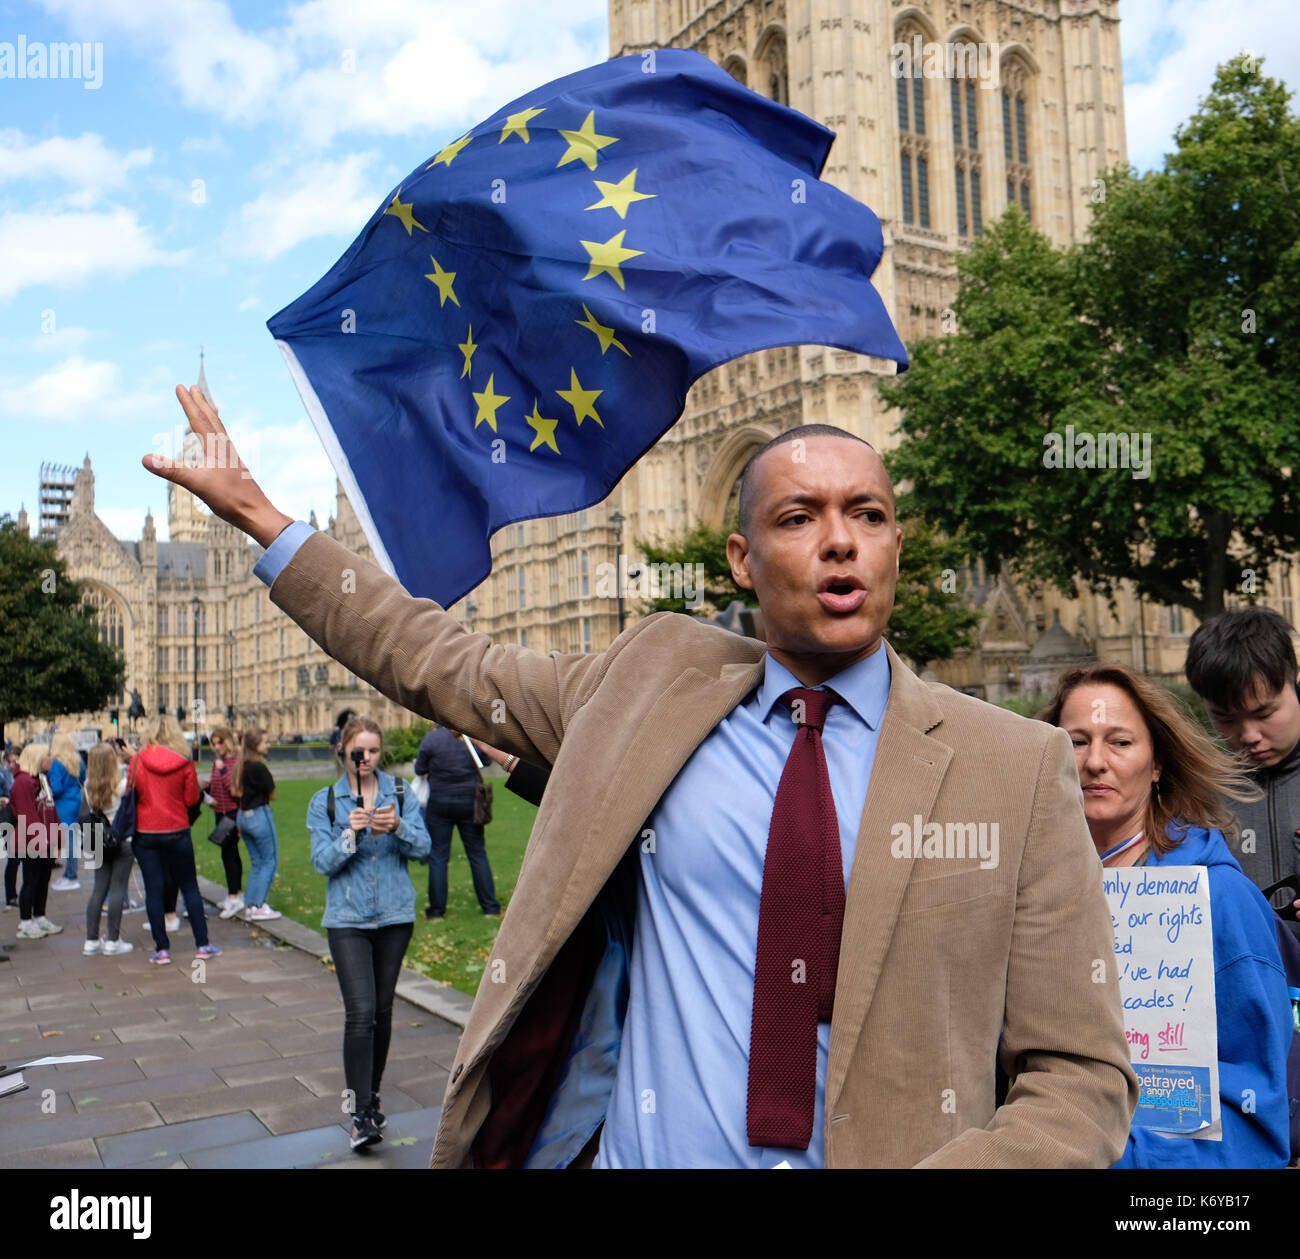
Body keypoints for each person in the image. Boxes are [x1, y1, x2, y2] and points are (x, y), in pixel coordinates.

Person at [150, 392, 1138, 1168]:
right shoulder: (646, 690)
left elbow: (1081, 1073)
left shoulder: (1013, 767)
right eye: (801, 515)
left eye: (866, 513)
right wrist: (260, 517)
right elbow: (437, 657)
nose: (839, 538)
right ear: (742, 559)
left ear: (893, 543)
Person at [1042, 662, 1292, 1167]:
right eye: (1076, 741)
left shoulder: (1220, 896)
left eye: (1120, 742)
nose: (1095, 762)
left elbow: (1257, 1115)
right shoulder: (1028, 893)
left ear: (1157, 763)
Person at [308, 716, 431, 1150]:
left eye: (374, 751)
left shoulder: (399, 793)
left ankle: (373, 1096)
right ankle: (359, 1115)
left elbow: (425, 848)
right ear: (344, 749)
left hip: (395, 917)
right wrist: (351, 834)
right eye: (358, 751)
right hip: (347, 920)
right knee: (359, 1012)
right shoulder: (325, 800)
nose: (366, 759)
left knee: (382, 1012)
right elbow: (322, 861)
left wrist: (397, 826)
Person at [1184, 607, 1300, 934]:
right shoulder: (1193, 793)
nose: (1249, 736)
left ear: (1295, 682)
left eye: (1264, 713)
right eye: (1225, 719)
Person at [131, 715, 221, 965]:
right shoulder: (184, 762)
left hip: (146, 832)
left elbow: (132, 790)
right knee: (189, 886)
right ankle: (202, 945)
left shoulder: (138, 760)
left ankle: (162, 950)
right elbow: (192, 799)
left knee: (153, 890)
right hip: (176, 829)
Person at [414, 724, 500, 920]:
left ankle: (436, 912)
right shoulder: (469, 738)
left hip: (439, 802)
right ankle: (490, 909)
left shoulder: (431, 739)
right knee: (477, 854)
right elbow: (485, 760)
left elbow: (419, 768)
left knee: (438, 857)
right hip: (469, 801)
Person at [82, 741, 136, 956]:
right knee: (118, 890)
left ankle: (91, 939)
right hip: (121, 839)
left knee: (98, 889)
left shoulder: (87, 786)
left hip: (97, 838)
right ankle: (113, 940)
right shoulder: (122, 786)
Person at [11, 743, 63, 938]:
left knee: (43, 880)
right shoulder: (23, 782)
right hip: (31, 841)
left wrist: (57, 835)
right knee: (31, 880)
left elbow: (51, 808)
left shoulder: (42, 778)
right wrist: (41, 842)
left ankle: (40, 917)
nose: (51, 759)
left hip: (46, 840)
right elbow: (28, 815)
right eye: (47, 756)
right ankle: (25, 922)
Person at [232, 728, 281, 921]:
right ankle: (259, 906)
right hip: (259, 816)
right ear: (256, 746)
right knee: (269, 861)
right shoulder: (258, 767)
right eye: (265, 742)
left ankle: (251, 905)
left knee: (257, 862)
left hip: (243, 816)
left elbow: (235, 791)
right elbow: (273, 794)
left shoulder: (240, 765)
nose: (268, 745)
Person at [201, 727, 244, 920]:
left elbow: (234, 788)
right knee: (228, 854)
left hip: (233, 813)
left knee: (230, 853)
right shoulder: (219, 762)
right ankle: (233, 893)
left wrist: (222, 770)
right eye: (214, 744)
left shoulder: (235, 761)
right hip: (220, 811)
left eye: (220, 743)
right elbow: (218, 785)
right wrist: (208, 786)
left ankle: (235, 896)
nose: (217, 747)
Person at [46, 733, 86, 891]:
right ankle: (70, 874)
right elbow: (83, 778)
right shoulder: (78, 759)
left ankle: (71, 875)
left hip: (62, 804)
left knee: (69, 843)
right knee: (72, 841)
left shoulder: (57, 763)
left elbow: (56, 788)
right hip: (75, 800)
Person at [1, 744, 20, 908]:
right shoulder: (2, 774)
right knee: (13, 859)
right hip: (9, 820)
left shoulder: (24, 773)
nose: (13, 764)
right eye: (10, 762)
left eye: (15, 761)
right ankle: (11, 896)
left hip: (22, 820)